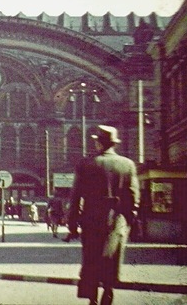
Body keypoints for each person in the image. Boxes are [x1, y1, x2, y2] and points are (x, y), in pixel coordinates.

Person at [67, 125, 140, 305]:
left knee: (91, 259)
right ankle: (108, 293)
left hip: (91, 218)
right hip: (117, 220)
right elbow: (133, 198)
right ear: (114, 144)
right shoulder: (127, 165)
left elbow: (75, 197)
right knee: (112, 259)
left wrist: (72, 226)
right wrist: (128, 221)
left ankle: (92, 299)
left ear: (99, 143)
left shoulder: (85, 164)